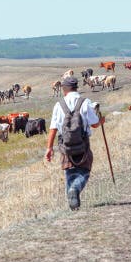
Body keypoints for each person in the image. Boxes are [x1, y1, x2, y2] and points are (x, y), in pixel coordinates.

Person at [45, 75, 104, 210]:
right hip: (83, 143)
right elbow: (94, 124)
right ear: (76, 88)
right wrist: (102, 121)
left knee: (69, 171)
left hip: (65, 145)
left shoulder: (59, 105)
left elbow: (53, 128)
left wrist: (49, 148)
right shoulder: (85, 102)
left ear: (65, 89)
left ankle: (73, 205)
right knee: (84, 170)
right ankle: (75, 190)